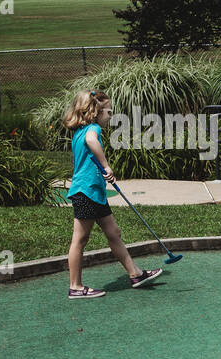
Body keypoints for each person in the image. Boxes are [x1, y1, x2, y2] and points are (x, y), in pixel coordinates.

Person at [63, 89, 162, 298]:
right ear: (95, 112)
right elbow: (92, 141)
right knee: (80, 239)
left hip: (95, 192)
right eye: (108, 112)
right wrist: (106, 166)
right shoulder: (92, 129)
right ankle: (76, 287)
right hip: (86, 191)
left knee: (113, 232)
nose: (110, 116)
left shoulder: (79, 132)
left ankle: (135, 274)